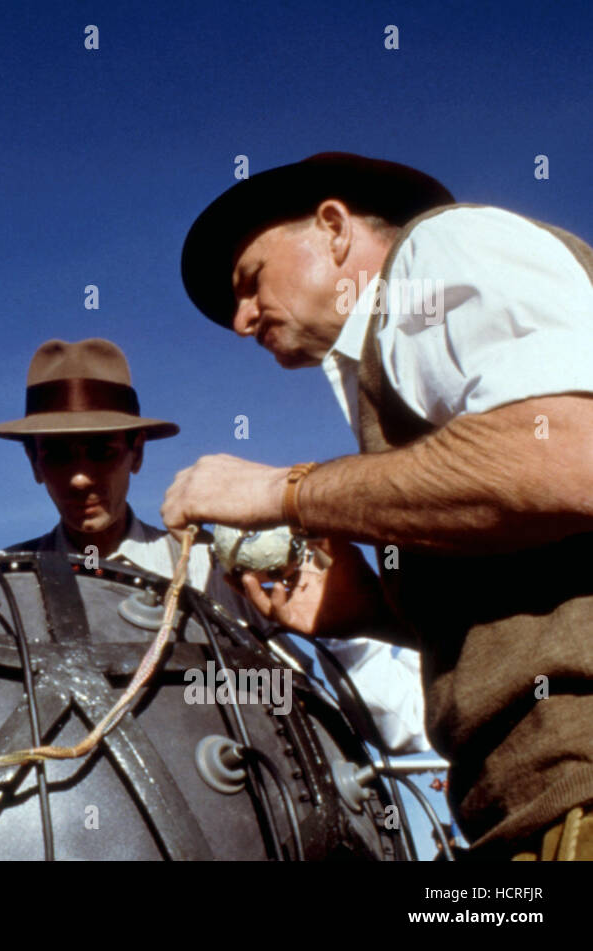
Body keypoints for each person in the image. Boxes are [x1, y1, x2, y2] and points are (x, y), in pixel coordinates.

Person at [166, 151, 593, 859]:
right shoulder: (391, 366)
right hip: (530, 819)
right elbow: (534, 595)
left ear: (333, 227)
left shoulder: (441, 250)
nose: (241, 321)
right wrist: (371, 614)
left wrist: (283, 490)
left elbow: (572, 457)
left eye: (250, 283)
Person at [0, 337, 427, 754]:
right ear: (35, 463)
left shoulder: (214, 571)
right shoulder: (0, 588)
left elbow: (400, 726)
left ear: (136, 453)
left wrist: (343, 628)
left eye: (101, 451)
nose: (81, 477)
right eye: (59, 455)